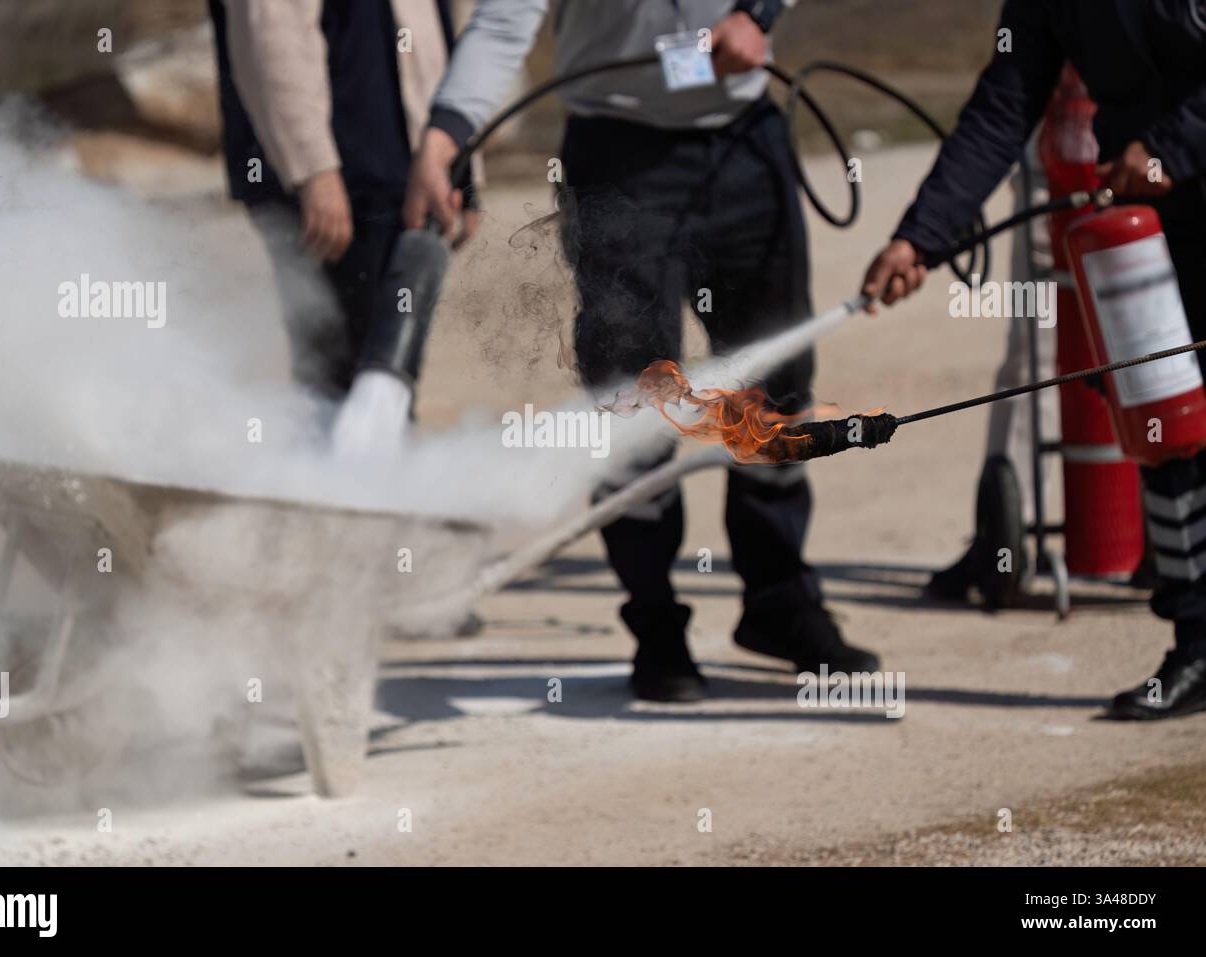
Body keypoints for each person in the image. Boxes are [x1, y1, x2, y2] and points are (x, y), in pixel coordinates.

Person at [406, 0, 880, 703]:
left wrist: (758, 13)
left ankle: (780, 603)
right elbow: (504, 21)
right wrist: (444, 137)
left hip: (745, 146)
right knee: (635, 405)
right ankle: (656, 626)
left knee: (775, 389)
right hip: (616, 156)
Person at [861, 0, 1206, 719]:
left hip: (1182, 164)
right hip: (1147, 224)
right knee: (1164, 428)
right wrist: (922, 237)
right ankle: (1199, 642)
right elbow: (1004, 103)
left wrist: (1178, 141)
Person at [208, 0, 477, 403]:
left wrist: (464, 170)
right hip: (319, 175)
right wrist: (313, 169)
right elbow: (270, 28)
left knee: (392, 361)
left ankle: (379, 455)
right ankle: (334, 460)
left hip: (405, 166)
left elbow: (442, 23)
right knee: (334, 367)